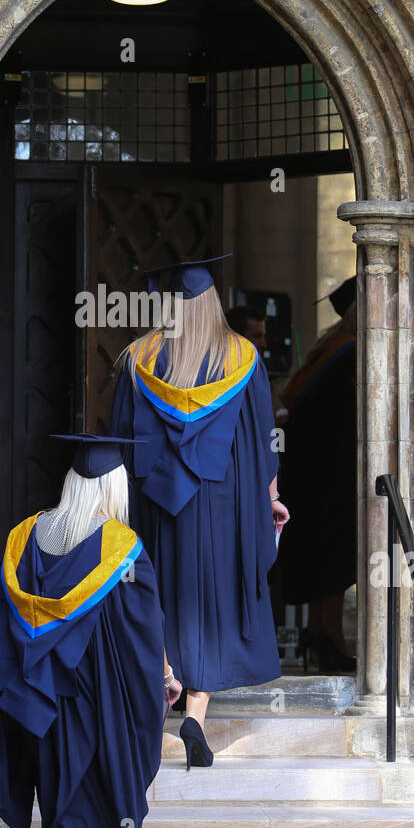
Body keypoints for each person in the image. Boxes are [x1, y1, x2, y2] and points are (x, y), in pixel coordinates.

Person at [0, 435, 180, 828]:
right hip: (95, 696)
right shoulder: (120, 547)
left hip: (38, 694)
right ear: (114, 488)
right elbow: (143, 630)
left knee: (67, 786)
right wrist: (162, 676)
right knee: (82, 791)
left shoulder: (25, 535)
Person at [108, 255, 289, 769]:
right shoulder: (244, 358)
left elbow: (121, 438)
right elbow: (259, 442)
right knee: (210, 603)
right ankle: (196, 714)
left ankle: (166, 678)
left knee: (160, 592)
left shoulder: (141, 358)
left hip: (158, 499)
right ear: (212, 303)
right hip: (221, 501)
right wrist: (267, 495)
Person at [274, 282, 357, 671]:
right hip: (331, 471)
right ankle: (328, 638)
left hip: (313, 469)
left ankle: (320, 635)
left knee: (326, 557)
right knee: (334, 558)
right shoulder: (348, 350)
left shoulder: (330, 347)